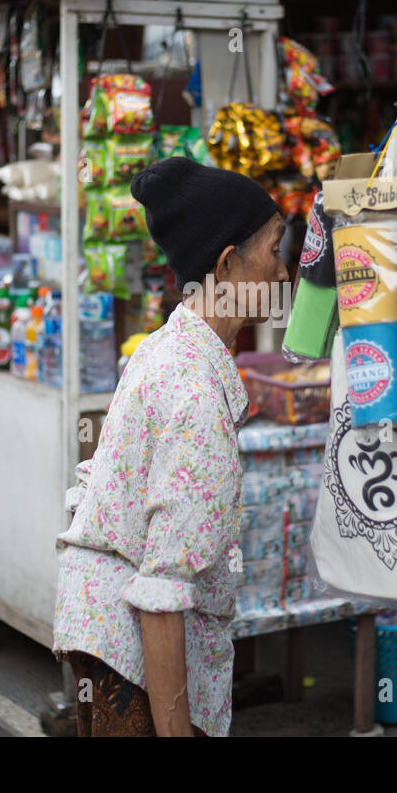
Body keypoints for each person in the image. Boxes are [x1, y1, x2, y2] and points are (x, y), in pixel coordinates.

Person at [52, 156, 288, 736]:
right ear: (228, 263)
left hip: (105, 637)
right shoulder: (194, 390)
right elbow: (161, 593)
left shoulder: (168, 348)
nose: (283, 274)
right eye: (274, 250)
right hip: (127, 651)